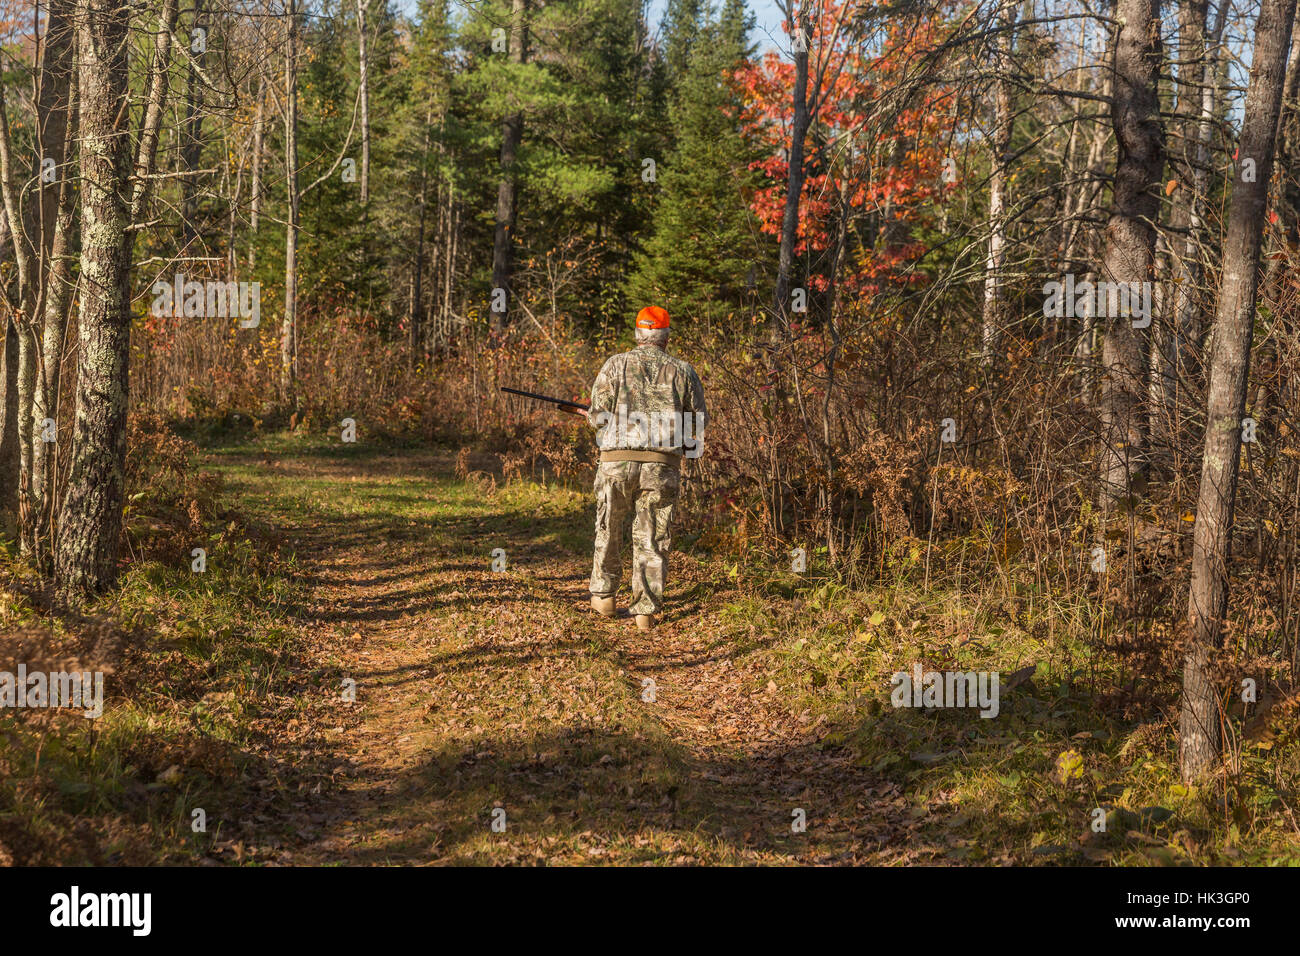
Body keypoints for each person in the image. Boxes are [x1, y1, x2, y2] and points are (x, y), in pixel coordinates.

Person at [560, 306, 707, 631]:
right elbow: (698, 421)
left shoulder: (615, 364)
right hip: (661, 466)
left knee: (608, 527)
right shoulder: (683, 371)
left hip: (616, 464)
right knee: (652, 537)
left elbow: (598, 417)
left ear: (638, 335)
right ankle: (645, 611)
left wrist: (590, 417)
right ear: (666, 336)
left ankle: (604, 596)